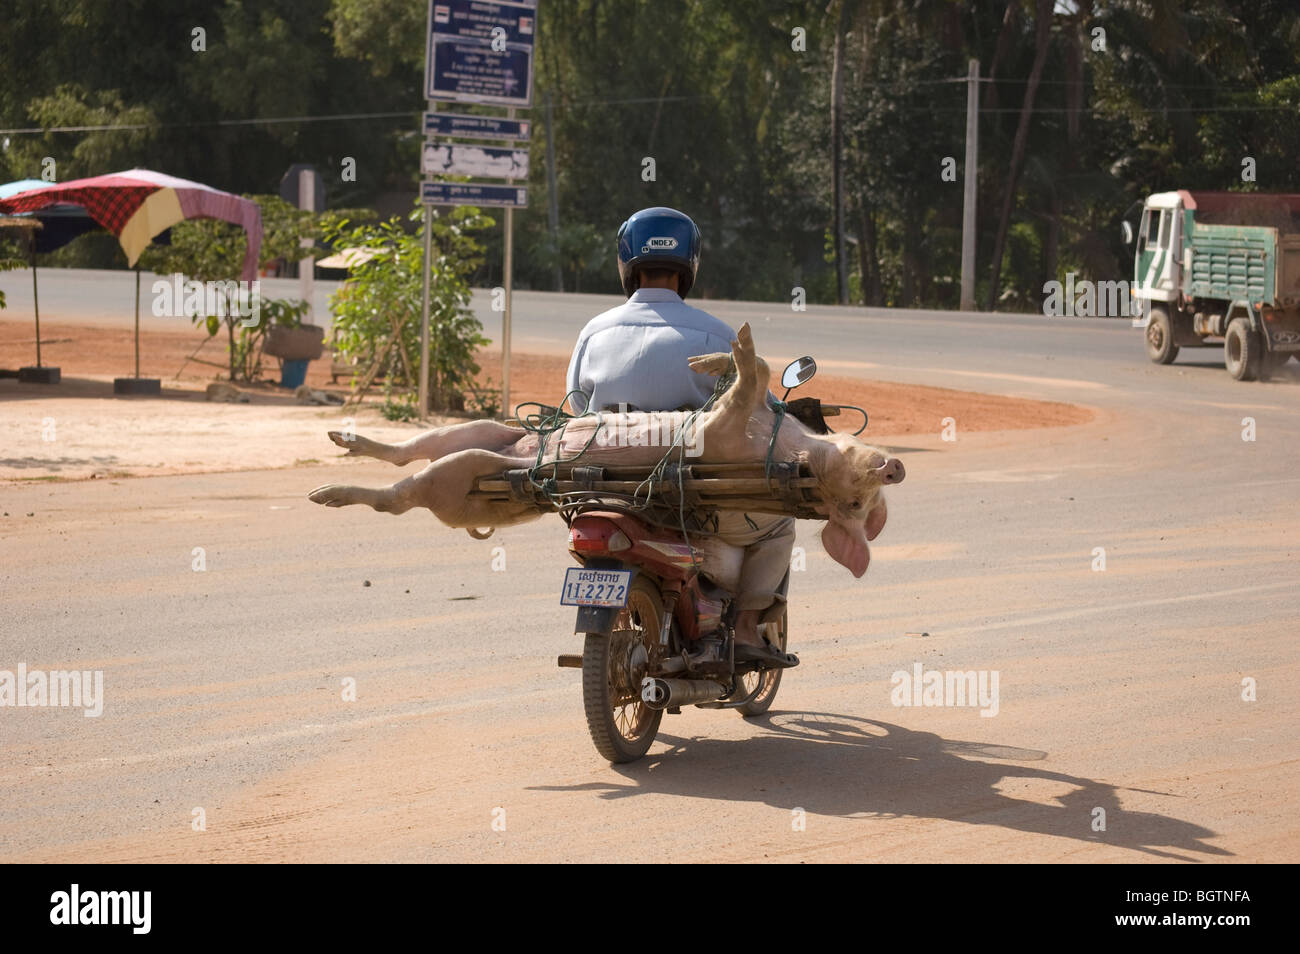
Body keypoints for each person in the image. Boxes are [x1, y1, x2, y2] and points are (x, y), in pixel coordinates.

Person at [565, 207, 797, 668]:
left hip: (604, 489)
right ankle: (747, 629)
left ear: (626, 263)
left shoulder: (594, 331)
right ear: (689, 265)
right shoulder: (715, 332)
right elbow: (758, 408)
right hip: (688, 499)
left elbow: (577, 407)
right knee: (780, 525)